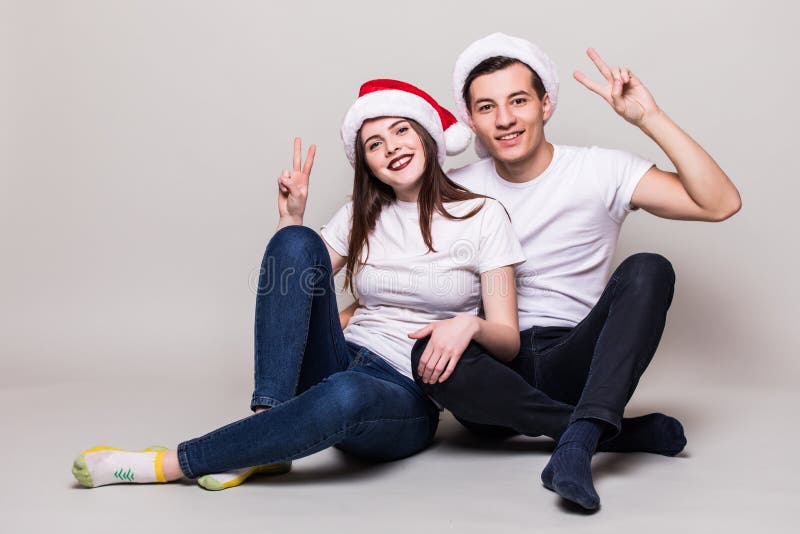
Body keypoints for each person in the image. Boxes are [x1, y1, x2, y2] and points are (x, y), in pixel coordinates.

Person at [341, 33, 742, 511]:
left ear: (545, 104)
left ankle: (577, 440)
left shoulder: (600, 170)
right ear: (470, 120)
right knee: (430, 349)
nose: (505, 119)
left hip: (572, 358)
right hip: (488, 370)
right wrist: (326, 325)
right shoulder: (453, 190)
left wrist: (648, 118)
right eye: (486, 107)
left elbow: (720, 203)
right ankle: (603, 431)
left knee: (649, 269)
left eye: (518, 101)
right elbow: (398, 285)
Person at [70, 78, 527, 490]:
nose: (391, 148)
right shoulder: (359, 214)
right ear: (366, 162)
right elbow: (295, 283)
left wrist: (469, 324)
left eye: (402, 131)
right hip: (342, 354)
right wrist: (291, 218)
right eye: (374, 143)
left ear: (427, 135)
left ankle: (166, 464)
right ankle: (268, 425)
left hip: (403, 395)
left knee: (346, 393)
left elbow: (506, 340)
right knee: (294, 238)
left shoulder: (484, 216)